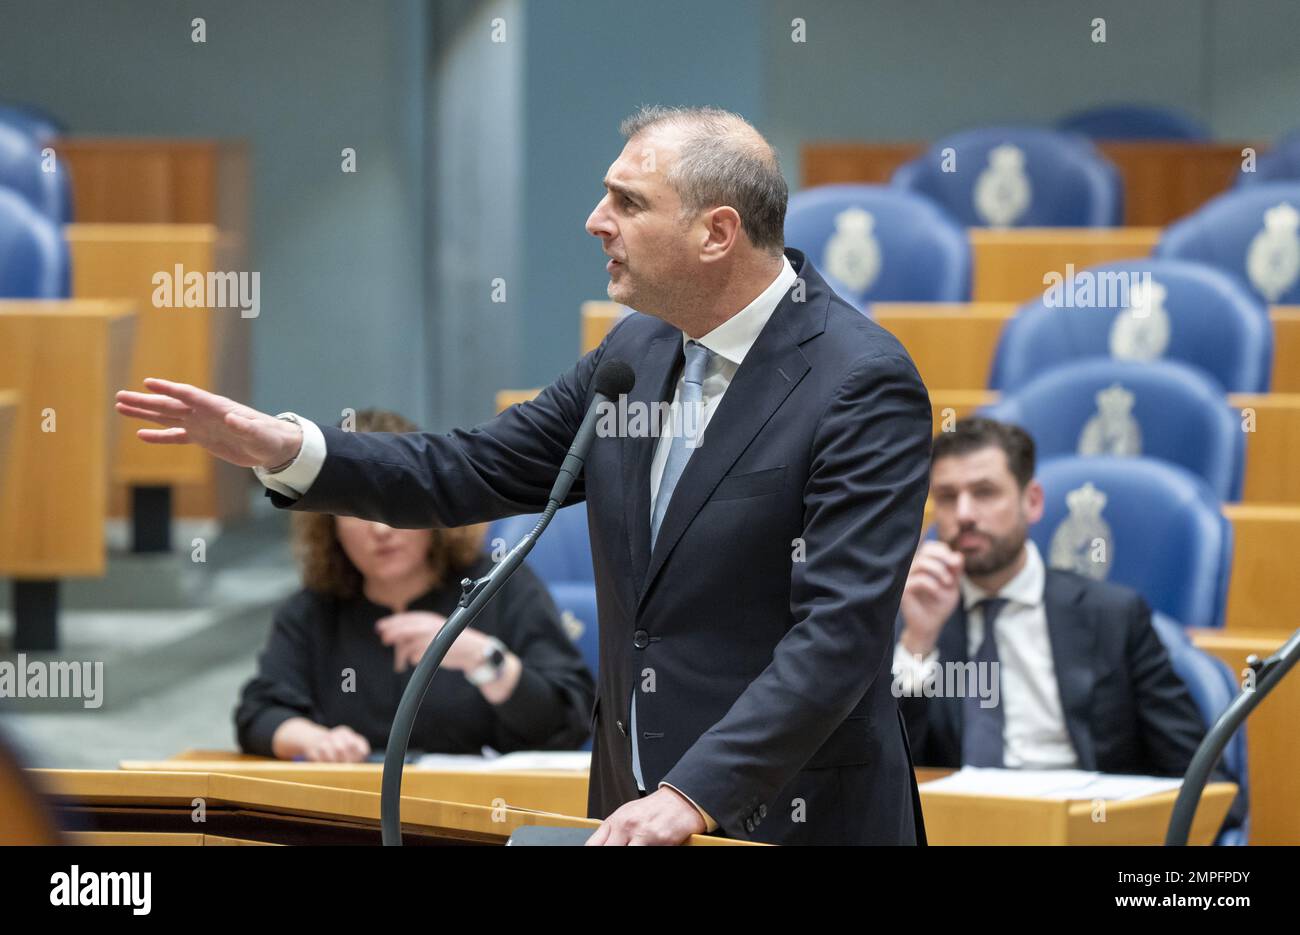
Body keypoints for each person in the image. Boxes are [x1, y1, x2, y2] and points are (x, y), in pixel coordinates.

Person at [115, 105, 933, 845]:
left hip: (796, 816)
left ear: (717, 232)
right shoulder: (635, 354)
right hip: (629, 809)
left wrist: (694, 792)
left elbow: (839, 634)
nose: (595, 222)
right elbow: (468, 467)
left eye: (628, 202)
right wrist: (283, 448)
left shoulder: (858, 381)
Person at [234, 409, 595, 763]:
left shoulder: (499, 587)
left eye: (393, 507)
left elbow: (567, 722)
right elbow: (258, 713)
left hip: (477, 810)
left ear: (430, 505)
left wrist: (486, 660)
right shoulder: (312, 609)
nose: (380, 530)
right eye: (357, 511)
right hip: (355, 809)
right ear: (328, 526)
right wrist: (312, 738)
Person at [894, 417, 1209, 775]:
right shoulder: (913, 620)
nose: (964, 515)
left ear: (1032, 501)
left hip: (1079, 822)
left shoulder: (1114, 616)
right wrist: (919, 641)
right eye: (948, 497)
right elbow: (892, 779)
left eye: (984, 492)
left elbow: (1201, 778)